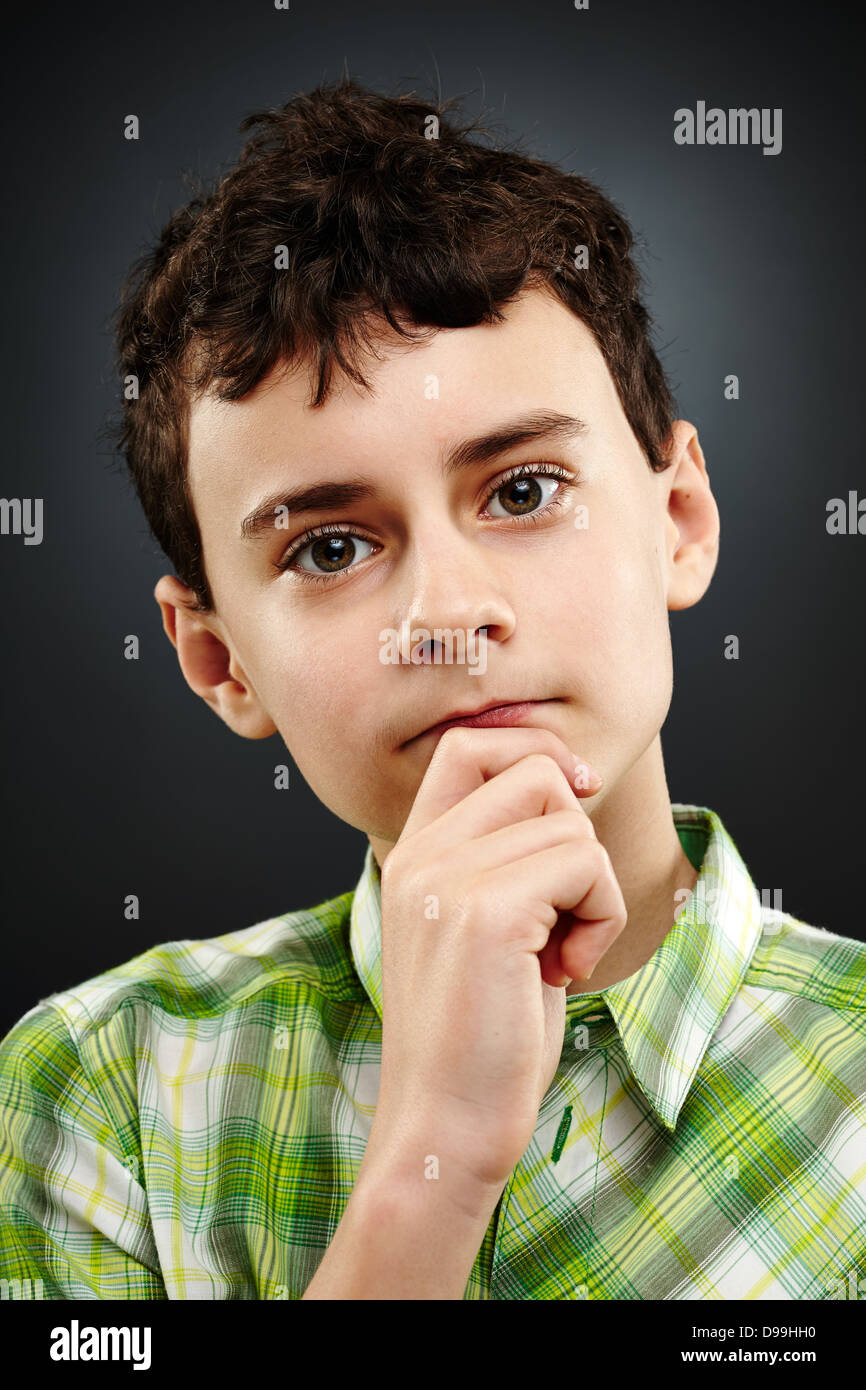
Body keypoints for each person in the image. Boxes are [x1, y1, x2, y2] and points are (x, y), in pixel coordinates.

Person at [1, 76, 863, 1301]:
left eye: (521, 491)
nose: (447, 620)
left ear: (676, 518)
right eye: (330, 547)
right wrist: (432, 1163)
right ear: (218, 658)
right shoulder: (99, 1094)